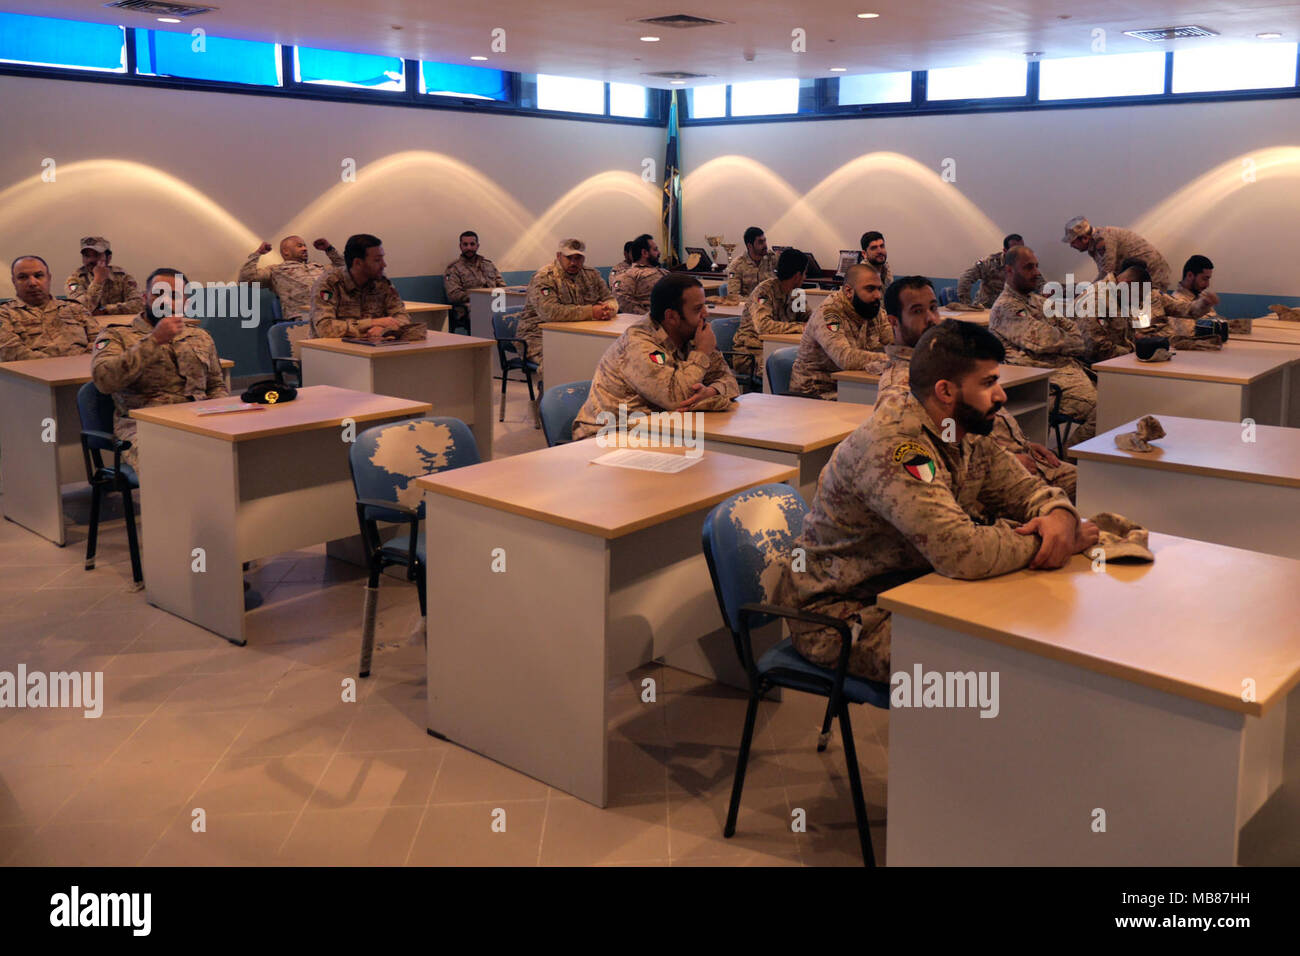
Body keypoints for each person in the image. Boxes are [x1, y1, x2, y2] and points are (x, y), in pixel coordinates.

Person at [772, 319, 1097, 680]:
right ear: (945, 391)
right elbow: (962, 553)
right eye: (988, 383)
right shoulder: (896, 446)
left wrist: (1059, 515)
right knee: (997, 658)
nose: (1001, 395)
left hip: (912, 588)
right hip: (842, 616)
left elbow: (1026, 490)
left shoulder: (963, 430)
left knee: (1040, 624)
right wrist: (1049, 541)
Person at [878, 278, 1077, 500]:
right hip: (989, 481)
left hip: (1019, 460)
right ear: (894, 321)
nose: (932, 319)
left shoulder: (942, 361)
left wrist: (1025, 445)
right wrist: (1003, 461)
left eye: (933, 308)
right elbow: (947, 441)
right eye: (917, 311)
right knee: (1094, 488)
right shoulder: (902, 384)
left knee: (1093, 482)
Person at [91, 268, 228, 473]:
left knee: (235, 453)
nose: (166, 301)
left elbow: (216, 385)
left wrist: (224, 415)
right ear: (145, 298)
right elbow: (104, 381)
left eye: (175, 296)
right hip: (144, 426)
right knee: (173, 461)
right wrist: (154, 341)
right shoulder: (115, 335)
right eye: (158, 294)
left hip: (198, 420)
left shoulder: (200, 336)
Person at [572, 274, 739, 439]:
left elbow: (730, 382)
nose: (705, 313)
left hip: (655, 430)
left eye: (705, 306)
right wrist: (702, 353)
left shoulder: (693, 334)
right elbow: (678, 399)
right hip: (609, 436)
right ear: (671, 317)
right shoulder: (639, 344)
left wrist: (712, 391)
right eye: (697, 309)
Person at [989, 245, 1097, 445]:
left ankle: (1077, 456)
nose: (1036, 273)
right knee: (1105, 410)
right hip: (1044, 383)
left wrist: (1064, 340)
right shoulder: (1006, 307)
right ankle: (1073, 458)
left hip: (1070, 372)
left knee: (1118, 398)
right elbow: (1043, 342)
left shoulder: (1038, 302)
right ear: (1009, 271)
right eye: (1029, 267)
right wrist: (1068, 340)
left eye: (1036, 266)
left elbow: (1076, 332)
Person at [515, 238, 617, 382]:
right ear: (558, 256)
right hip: (537, 335)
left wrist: (608, 309)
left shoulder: (591, 274)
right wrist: (592, 312)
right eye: (569, 258)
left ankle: (592, 401)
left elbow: (610, 299)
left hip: (576, 332)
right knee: (559, 364)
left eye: (578, 258)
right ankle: (550, 401)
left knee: (605, 359)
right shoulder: (544, 277)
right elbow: (550, 312)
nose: (574, 262)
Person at [786, 263, 891, 399]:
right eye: (870, 289)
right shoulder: (829, 313)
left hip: (850, 386)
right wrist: (889, 359)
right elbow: (845, 358)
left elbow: (893, 342)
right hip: (815, 392)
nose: (877, 295)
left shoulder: (872, 310)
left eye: (879, 289)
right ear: (848, 291)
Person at [308, 233, 412, 340]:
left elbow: (402, 316)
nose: (384, 265)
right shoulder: (329, 283)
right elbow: (325, 329)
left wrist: (384, 329)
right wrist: (371, 323)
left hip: (371, 350)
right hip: (329, 352)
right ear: (357, 263)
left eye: (382, 259)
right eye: (377, 260)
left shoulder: (381, 282)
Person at [1, 255, 98, 361]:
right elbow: (10, 351)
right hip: (32, 374)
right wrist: (60, 366)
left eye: (38, 276)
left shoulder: (75, 308)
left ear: (49, 278)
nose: (32, 283)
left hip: (83, 372)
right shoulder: (5, 314)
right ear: (14, 282)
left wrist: (83, 363)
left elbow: (99, 340)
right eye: (23, 277)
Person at [732, 248, 810, 378]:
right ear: (797, 275)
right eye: (805, 273)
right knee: (787, 373)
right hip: (751, 354)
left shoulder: (797, 294)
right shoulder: (764, 292)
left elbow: (808, 318)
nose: (805, 278)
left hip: (779, 348)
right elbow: (764, 326)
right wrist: (801, 327)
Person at [239, 235, 343, 322]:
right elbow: (246, 279)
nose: (305, 248)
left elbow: (345, 268)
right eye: (300, 246)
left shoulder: (320, 267)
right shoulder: (275, 271)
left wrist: (329, 249)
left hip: (333, 314)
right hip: (303, 318)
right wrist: (258, 253)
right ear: (286, 251)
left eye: (305, 246)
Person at [1063, 216, 1172, 291]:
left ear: (1085, 238)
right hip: (1140, 277)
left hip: (1153, 276)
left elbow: (1107, 275)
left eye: (1073, 242)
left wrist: (1081, 293)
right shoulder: (1097, 241)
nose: (1071, 246)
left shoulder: (1103, 241)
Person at [443, 230, 505, 334]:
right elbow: (453, 295)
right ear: (460, 246)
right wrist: (479, 296)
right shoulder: (453, 269)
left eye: (472, 244)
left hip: (494, 302)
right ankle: (485, 344)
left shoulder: (488, 265)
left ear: (477, 246)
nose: (469, 248)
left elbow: (502, 286)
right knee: (484, 313)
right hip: (469, 306)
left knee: (513, 309)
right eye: (465, 244)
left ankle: (505, 344)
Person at [64, 237, 143, 316]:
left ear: (108, 258)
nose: (90, 260)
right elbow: (78, 309)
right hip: (87, 326)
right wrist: (97, 281)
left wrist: (106, 310)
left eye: (96, 255)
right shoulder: (74, 280)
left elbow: (139, 305)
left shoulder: (122, 277)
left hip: (118, 326)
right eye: (86, 256)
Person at [956, 233, 1023, 308]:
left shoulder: (1026, 264)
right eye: (1015, 250)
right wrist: (966, 305)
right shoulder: (990, 262)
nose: (1020, 253)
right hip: (987, 308)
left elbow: (1037, 283)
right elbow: (965, 278)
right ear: (1005, 251)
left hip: (1012, 308)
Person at [613, 234, 668, 315]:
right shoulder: (629, 275)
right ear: (645, 253)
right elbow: (623, 301)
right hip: (650, 321)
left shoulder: (664, 272)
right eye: (655, 250)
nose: (659, 253)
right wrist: (649, 318)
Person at [725, 226, 777, 297]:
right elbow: (734, 296)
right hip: (748, 305)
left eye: (765, 240)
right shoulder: (736, 265)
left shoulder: (772, 258)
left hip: (770, 304)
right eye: (760, 242)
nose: (765, 245)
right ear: (750, 246)